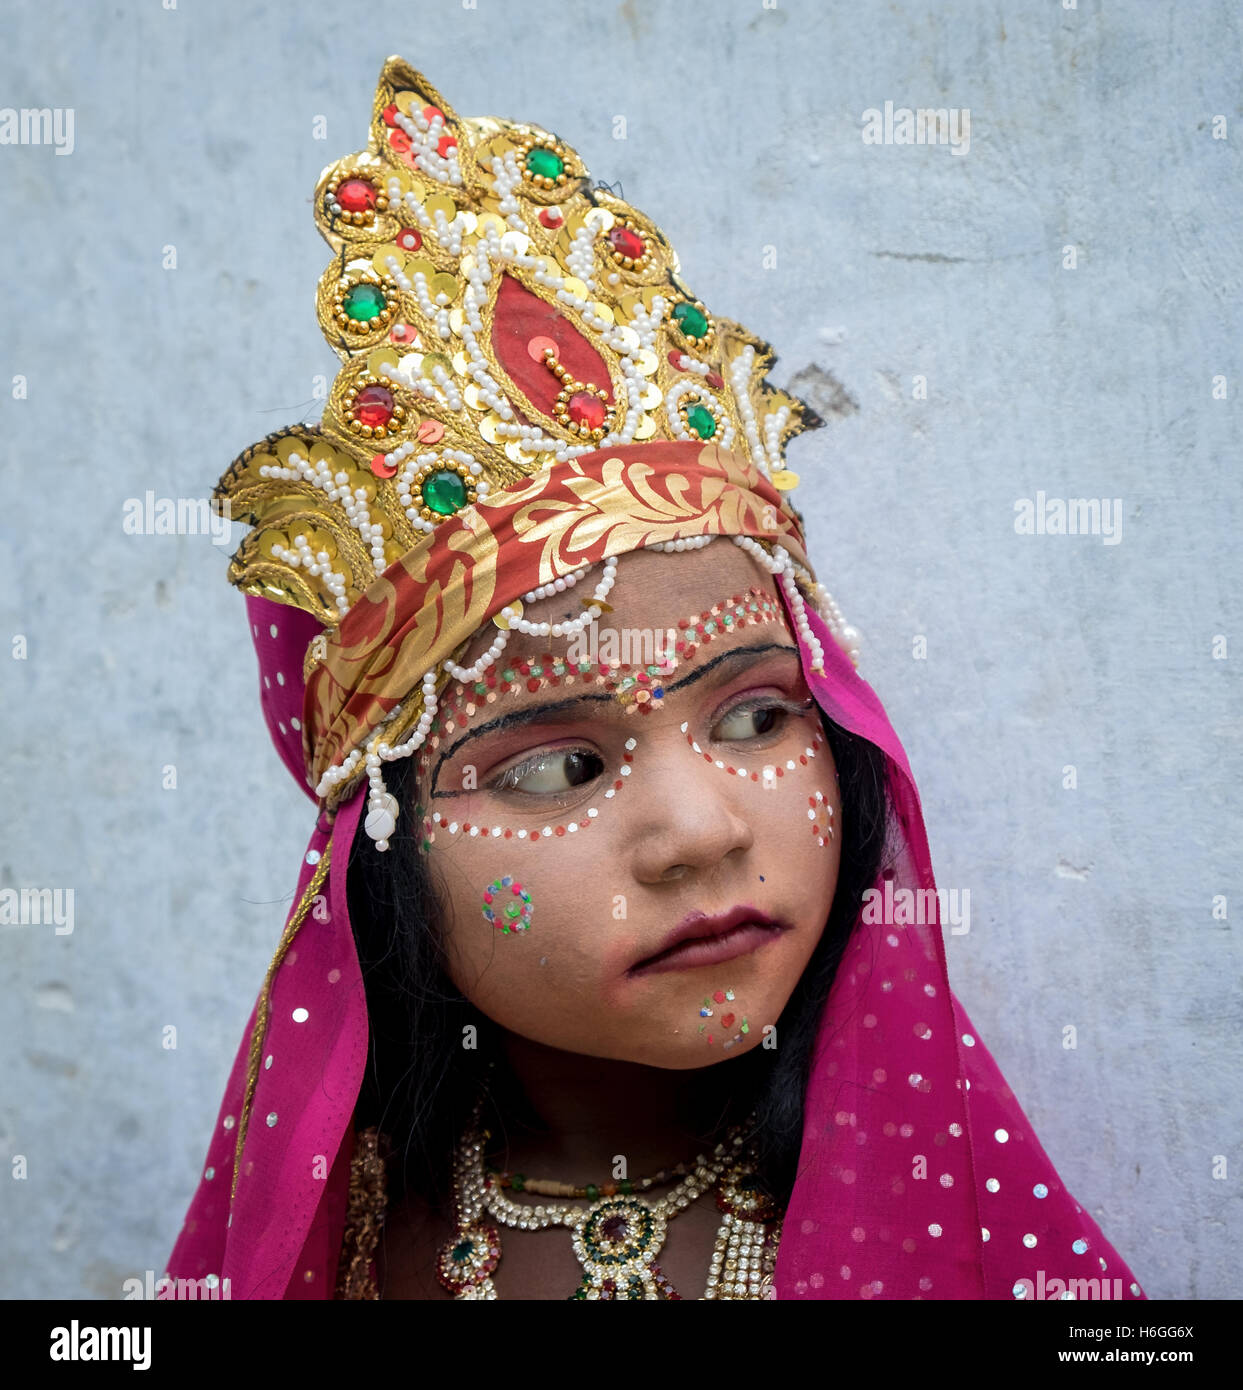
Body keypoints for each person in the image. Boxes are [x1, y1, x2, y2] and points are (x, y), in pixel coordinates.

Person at [164, 55, 1146, 1301]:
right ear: (383, 842)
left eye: (753, 714)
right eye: (560, 764)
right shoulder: (338, 1238)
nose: (699, 830)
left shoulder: (959, 1218)